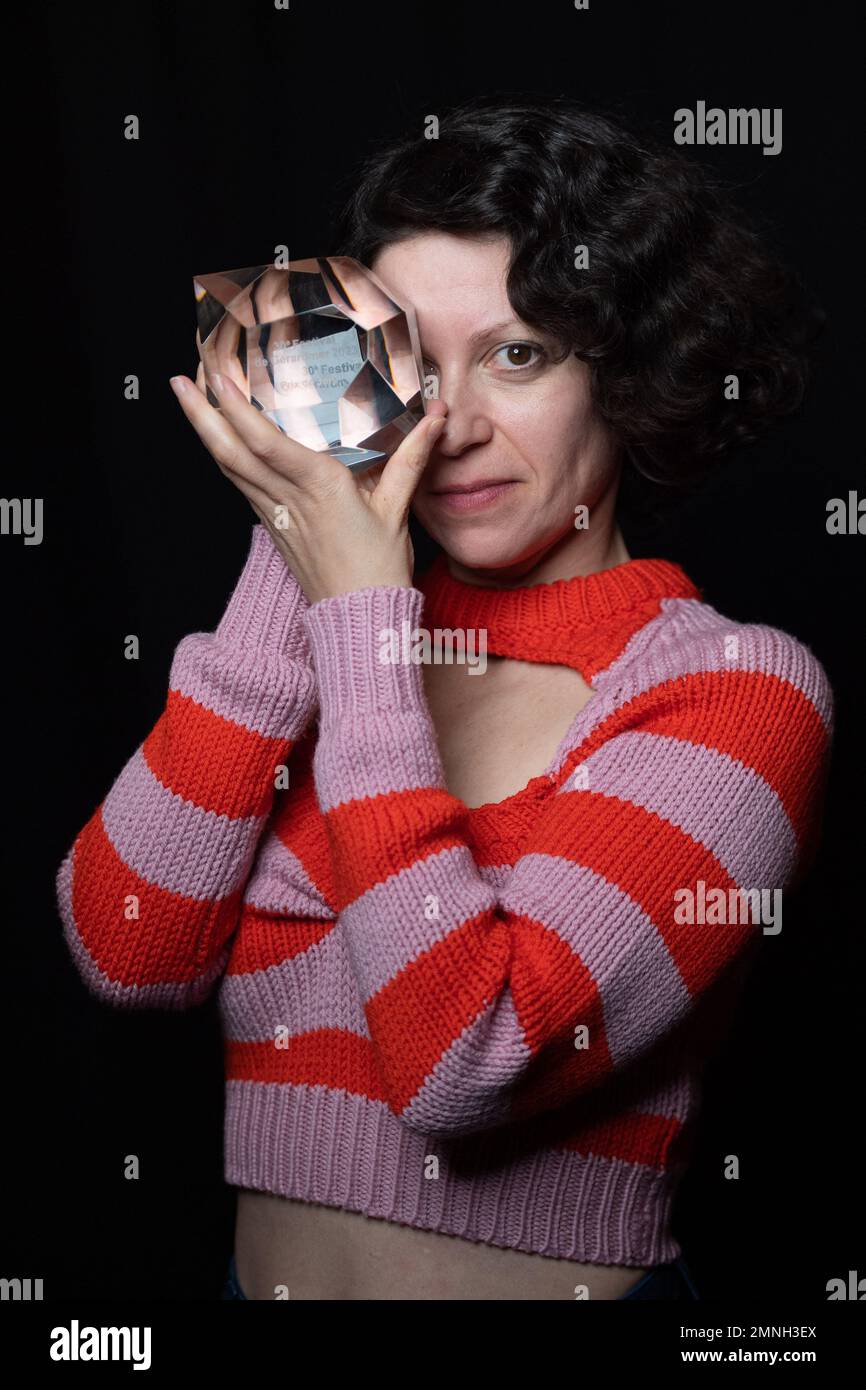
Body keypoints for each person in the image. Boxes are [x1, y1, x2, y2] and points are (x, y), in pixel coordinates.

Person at [56, 95, 832, 1300]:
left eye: (516, 355)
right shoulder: (337, 623)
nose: (451, 425)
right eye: (411, 361)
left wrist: (359, 621)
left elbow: (467, 1062)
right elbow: (130, 948)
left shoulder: (732, 687)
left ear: (624, 372)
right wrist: (299, 541)